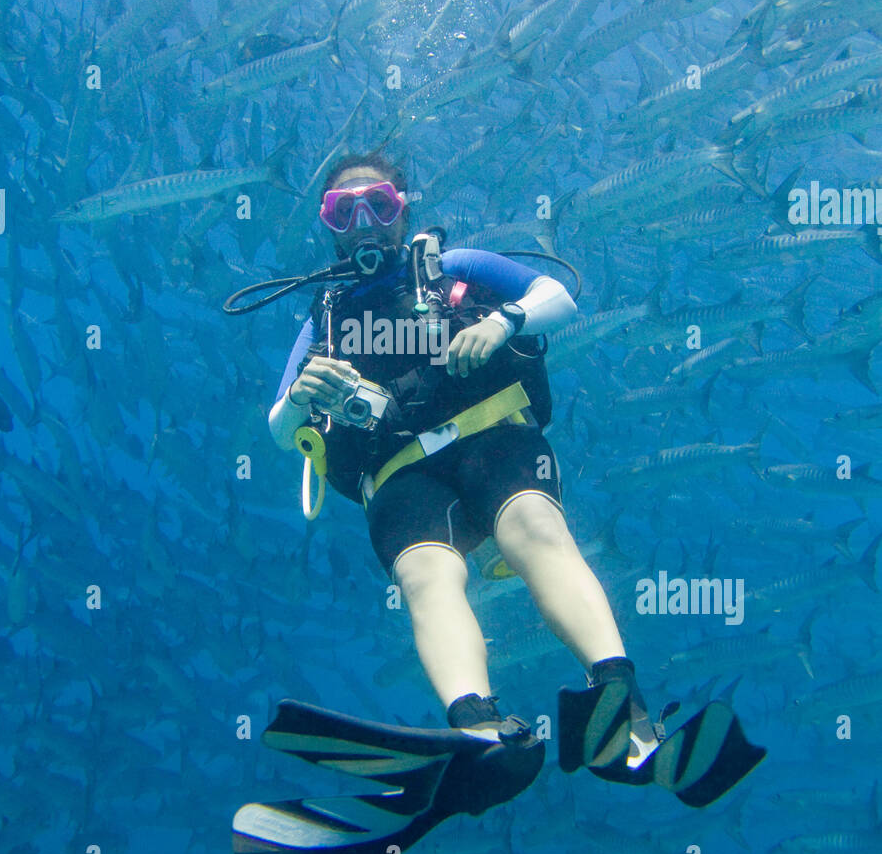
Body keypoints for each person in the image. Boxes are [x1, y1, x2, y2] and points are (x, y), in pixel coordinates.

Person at [267, 152, 664, 765]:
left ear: (404, 211)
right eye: (345, 212)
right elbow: (278, 427)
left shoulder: (458, 267)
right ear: (329, 226)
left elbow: (559, 297)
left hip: (493, 439)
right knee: (424, 577)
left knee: (533, 528)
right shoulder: (324, 319)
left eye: (379, 204)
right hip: (401, 476)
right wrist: (298, 398)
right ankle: (477, 726)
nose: (365, 222)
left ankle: (618, 694)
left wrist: (506, 321)